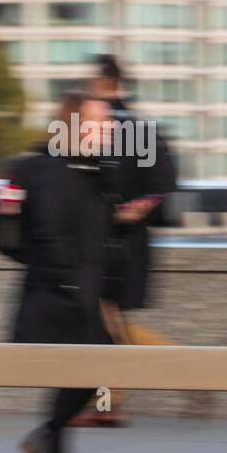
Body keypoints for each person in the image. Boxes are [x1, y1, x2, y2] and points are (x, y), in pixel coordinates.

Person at [0, 91, 115, 453]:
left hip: (70, 291)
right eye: (101, 122)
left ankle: (51, 444)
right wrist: (65, 278)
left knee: (88, 369)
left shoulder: (85, 169)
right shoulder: (57, 171)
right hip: (60, 294)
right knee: (92, 367)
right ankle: (52, 446)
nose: (110, 128)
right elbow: (45, 231)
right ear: (78, 126)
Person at [69, 54, 185, 425]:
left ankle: (188, 372)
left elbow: (161, 188)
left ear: (105, 83)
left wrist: (133, 208)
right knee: (109, 321)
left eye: (92, 82)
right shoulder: (139, 127)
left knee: (106, 321)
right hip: (118, 243)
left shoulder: (112, 127)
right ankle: (185, 373)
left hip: (117, 244)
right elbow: (165, 186)